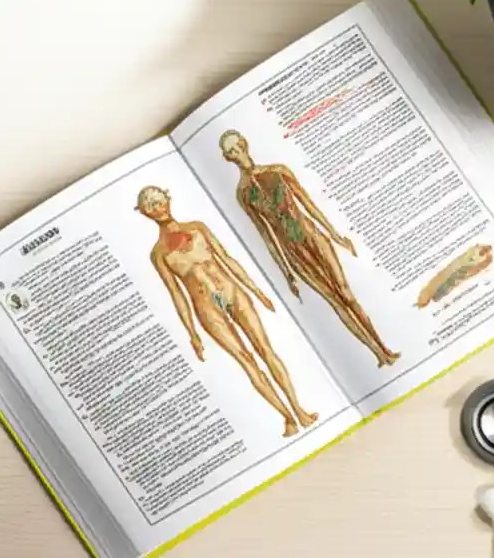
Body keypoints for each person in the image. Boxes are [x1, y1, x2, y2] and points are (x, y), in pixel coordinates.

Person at [137, 185, 317, 437]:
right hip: (205, 307)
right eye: (151, 205)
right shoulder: (158, 254)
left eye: (159, 200)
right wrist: (192, 333)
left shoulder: (197, 228)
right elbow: (176, 294)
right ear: (144, 212)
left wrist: (256, 291)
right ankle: (287, 418)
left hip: (233, 292)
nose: (158, 208)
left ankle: (299, 410)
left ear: (168, 198)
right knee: (246, 360)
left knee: (265, 350)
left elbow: (227, 259)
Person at [219, 129, 400, 367]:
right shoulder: (242, 193)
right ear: (228, 158)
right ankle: (377, 353)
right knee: (335, 301)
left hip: (313, 237)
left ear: (245, 144)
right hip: (294, 252)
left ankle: (384, 346)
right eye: (230, 151)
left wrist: (335, 235)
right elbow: (266, 235)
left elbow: (307, 204)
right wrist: (286, 272)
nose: (237, 152)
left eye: (237, 146)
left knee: (345, 292)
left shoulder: (278, 171)